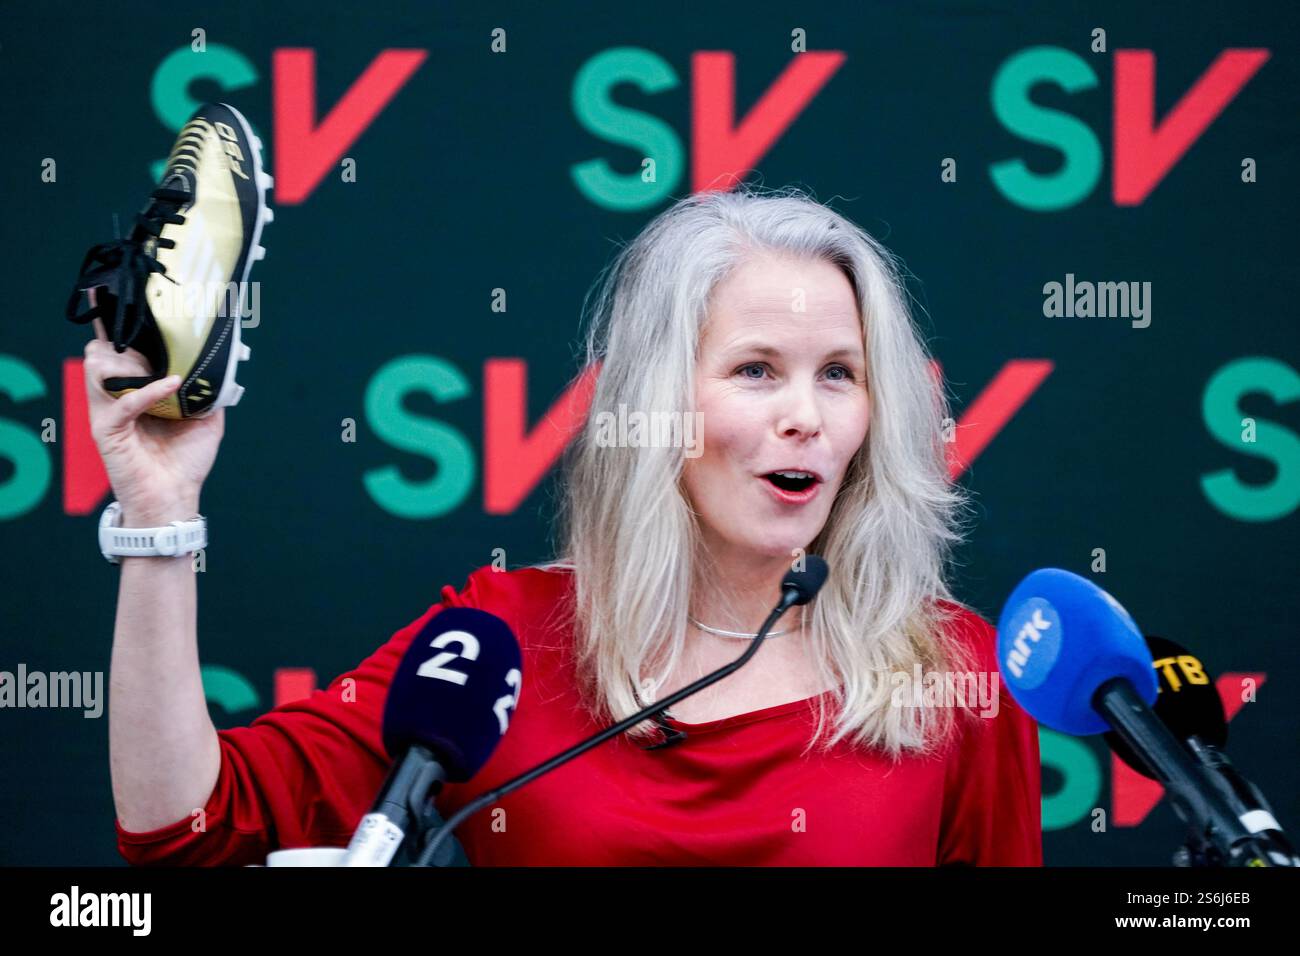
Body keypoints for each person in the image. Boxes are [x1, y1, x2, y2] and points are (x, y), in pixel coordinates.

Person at [90, 185, 1042, 866]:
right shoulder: (499, 640)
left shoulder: (954, 670)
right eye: (756, 370)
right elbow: (190, 828)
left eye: (840, 372)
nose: (809, 414)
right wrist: (158, 516)